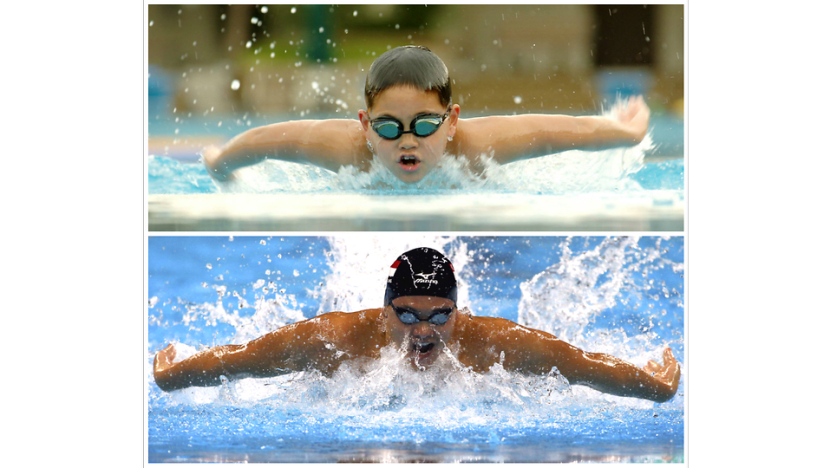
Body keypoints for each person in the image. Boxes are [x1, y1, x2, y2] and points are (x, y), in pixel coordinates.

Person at [154, 247, 680, 403]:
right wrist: (171, 374)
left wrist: (653, 386)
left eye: (439, 317)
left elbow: (580, 365)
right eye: (405, 315)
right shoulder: (334, 340)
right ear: (384, 312)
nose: (422, 332)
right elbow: (244, 359)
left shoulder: (493, 343)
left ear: (458, 312)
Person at [201, 45, 651, 185]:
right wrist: (222, 164)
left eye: (425, 123)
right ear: (365, 124)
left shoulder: (477, 147)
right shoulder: (346, 150)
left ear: (452, 120)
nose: (407, 140)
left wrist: (626, 133)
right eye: (388, 128)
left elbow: (561, 133)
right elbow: (266, 141)